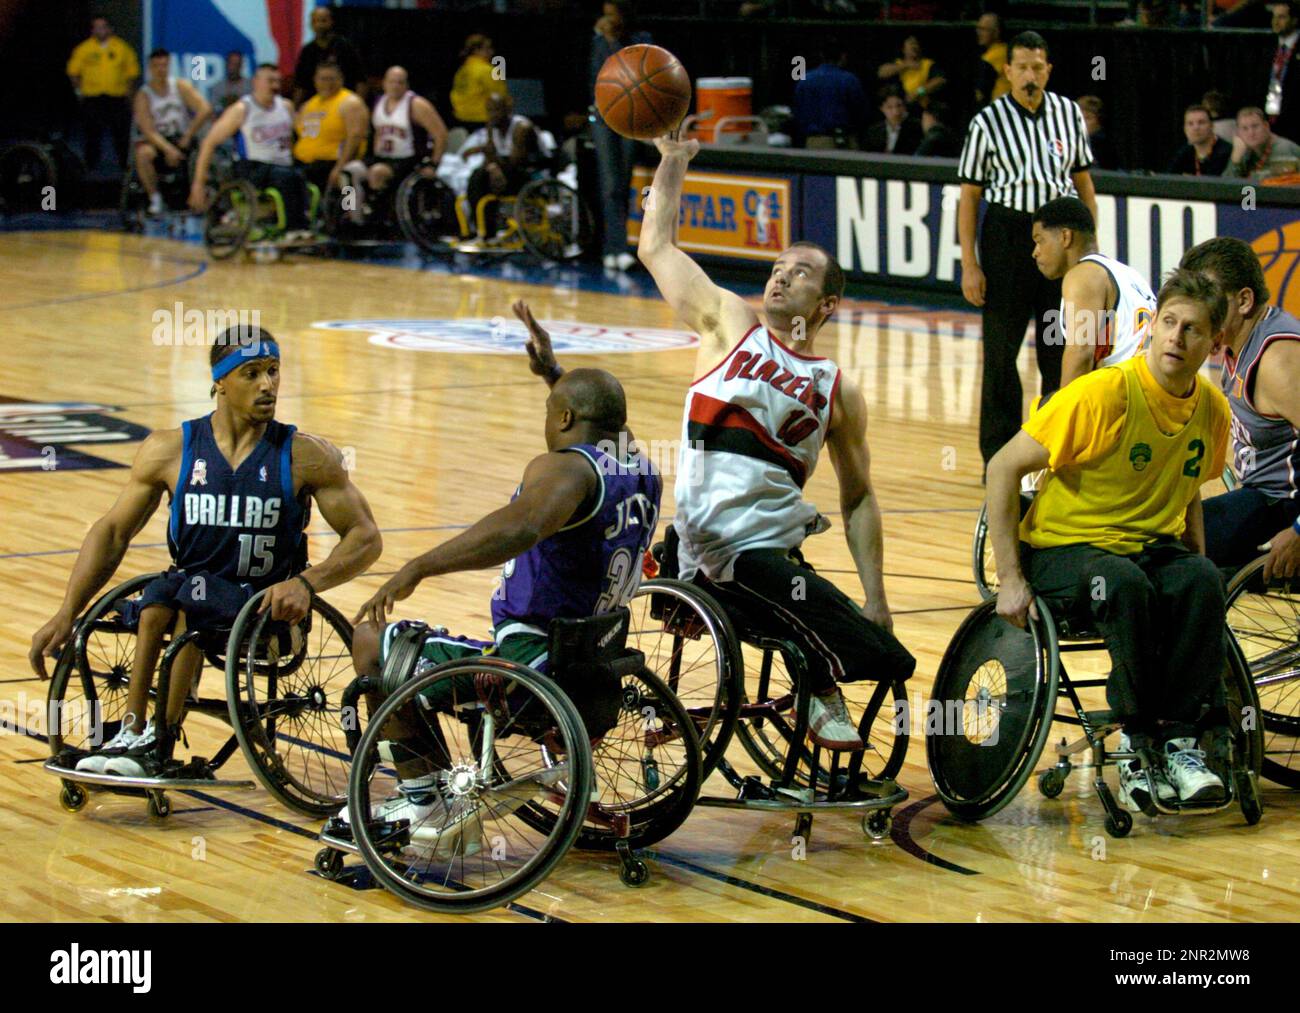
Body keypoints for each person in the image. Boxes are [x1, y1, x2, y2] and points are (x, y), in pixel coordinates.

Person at [635, 133, 917, 751]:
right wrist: (672, 162)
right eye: (777, 269)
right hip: (711, 546)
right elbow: (654, 245)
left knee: (883, 643)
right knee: (872, 648)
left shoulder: (836, 389)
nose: (782, 278)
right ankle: (819, 685)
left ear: (828, 303)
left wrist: (876, 595)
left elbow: (860, 497)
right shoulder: (729, 324)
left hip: (776, 555)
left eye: (801, 273)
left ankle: (823, 675)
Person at [344, 300, 659, 832]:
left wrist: (420, 565)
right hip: (595, 670)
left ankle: (422, 799)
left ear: (562, 419)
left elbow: (519, 528)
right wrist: (556, 375)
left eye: (551, 412)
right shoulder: (642, 468)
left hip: (531, 669)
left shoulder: (563, 469)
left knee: (373, 640)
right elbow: (603, 421)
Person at [28, 328, 382, 778]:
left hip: (265, 611)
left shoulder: (305, 455)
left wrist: (306, 584)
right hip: (185, 595)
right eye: (251, 374)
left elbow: (366, 537)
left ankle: (158, 740)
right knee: (164, 599)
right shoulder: (170, 450)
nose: (267, 385)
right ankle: (133, 732)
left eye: (273, 372)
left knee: (179, 601)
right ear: (219, 383)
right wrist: (66, 611)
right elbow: (114, 531)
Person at [987, 270, 1233, 812]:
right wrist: (1009, 579)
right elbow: (1002, 467)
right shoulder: (1104, 394)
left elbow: (1189, 487)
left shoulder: (1212, 410)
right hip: (1062, 549)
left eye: (1192, 329)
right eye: (1168, 322)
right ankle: (1138, 741)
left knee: (1201, 579)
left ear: (1213, 342)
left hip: (1147, 546)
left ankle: (1180, 741)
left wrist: (1196, 565)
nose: (1175, 337)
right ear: (1152, 326)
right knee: (1121, 583)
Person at [958, 31, 1098, 472]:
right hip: (1007, 237)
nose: (1030, 75)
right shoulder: (987, 121)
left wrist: (1090, 248)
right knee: (1001, 352)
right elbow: (969, 196)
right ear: (1008, 71)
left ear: (1048, 70)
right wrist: (969, 263)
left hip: (1060, 238)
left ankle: (1056, 446)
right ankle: (999, 455)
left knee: (1059, 346)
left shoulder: (1068, 113)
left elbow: (1084, 185)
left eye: (1038, 67)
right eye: (1022, 67)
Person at [1180, 238, 1300, 579]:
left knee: (1171, 552)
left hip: (1284, 507)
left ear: (1244, 300)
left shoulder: (1279, 362)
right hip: (1263, 496)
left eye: (1207, 298)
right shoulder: (1239, 340)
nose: (1198, 310)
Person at [1032, 197, 1156, 388]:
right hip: (1155, 387)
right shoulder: (1129, 274)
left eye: (1040, 241)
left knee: (1047, 409)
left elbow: (1081, 351)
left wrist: (1065, 412)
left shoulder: (1082, 276)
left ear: (1066, 237)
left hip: (1128, 393)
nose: (1035, 252)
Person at [189, 64, 313, 241]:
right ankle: (294, 228)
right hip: (252, 167)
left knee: (300, 174)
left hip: (284, 166)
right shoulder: (242, 109)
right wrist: (198, 184)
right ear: (256, 82)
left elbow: (299, 138)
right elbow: (209, 142)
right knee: (285, 176)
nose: (275, 85)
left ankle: (309, 222)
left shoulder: (286, 106)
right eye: (270, 81)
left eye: (278, 81)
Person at [591, 2, 653, 271]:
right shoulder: (598, 40)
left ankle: (623, 247)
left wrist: (615, 41)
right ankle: (612, 248)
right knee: (610, 184)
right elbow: (600, 77)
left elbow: (631, 71)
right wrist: (606, 40)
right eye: (604, 13)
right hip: (604, 117)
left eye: (612, 13)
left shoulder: (642, 39)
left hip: (631, 116)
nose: (608, 18)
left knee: (623, 181)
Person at [132, 49, 211, 216]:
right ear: (150, 68)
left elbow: (205, 109)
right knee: (143, 154)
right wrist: (168, 149)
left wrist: (188, 134)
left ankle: (199, 197)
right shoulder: (143, 95)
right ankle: (155, 198)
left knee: (205, 149)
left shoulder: (180, 86)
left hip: (182, 137)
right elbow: (147, 130)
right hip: (158, 141)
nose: (161, 69)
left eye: (164, 65)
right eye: (157, 66)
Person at [366, 66, 448, 220]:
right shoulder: (378, 103)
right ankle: (355, 217)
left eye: (400, 82)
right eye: (392, 82)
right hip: (385, 157)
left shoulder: (416, 104)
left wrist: (434, 164)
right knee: (352, 171)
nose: (395, 86)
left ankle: (380, 216)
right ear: (384, 83)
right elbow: (378, 132)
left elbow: (441, 134)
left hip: (410, 160)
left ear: (406, 85)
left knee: (378, 173)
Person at [459, 92, 542, 244]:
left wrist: (491, 159)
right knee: (478, 176)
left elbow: (517, 161)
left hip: (532, 173)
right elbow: (490, 159)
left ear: (507, 110)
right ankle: (483, 232)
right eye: (489, 110)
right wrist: (492, 166)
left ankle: (486, 233)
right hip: (505, 171)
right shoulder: (492, 126)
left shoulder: (521, 127)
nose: (492, 115)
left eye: (496, 110)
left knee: (484, 176)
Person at [66, 15, 140, 174]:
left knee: (121, 134)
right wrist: (79, 92)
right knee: (92, 135)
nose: (100, 30)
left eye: (103, 27)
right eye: (96, 27)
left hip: (116, 99)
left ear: (110, 29)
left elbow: (131, 75)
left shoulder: (122, 48)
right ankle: (90, 167)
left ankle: (124, 167)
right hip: (93, 99)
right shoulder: (84, 49)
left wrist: (130, 98)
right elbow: (73, 72)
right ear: (92, 30)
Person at [293, 59, 368, 203]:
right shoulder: (308, 105)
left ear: (341, 80)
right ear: (315, 80)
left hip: (333, 163)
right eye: (323, 79)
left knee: (348, 177)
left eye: (331, 79)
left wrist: (339, 167)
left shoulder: (350, 103)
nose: (327, 83)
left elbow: (355, 137)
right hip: (304, 163)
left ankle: (351, 215)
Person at [792, 42, 868, 151]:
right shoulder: (849, 80)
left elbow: (798, 112)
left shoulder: (805, 80)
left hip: (814, 142)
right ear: (843, 56)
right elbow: (861, 112)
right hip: (844, 141)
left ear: (821, 56)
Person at [293, 5, 364, 106]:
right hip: (316, 104)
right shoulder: (307, 51)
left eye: (323, 20)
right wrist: (296, 108)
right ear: (311, 24)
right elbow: (300, 85)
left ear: (331, 22)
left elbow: (360, 80)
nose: (320, 25)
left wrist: (358, 104)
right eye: (316, 21)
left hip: (343, 103)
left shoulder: (345, 47)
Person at [450, 34, 507, 130]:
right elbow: (501, 98)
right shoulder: (489, 70)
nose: (492, 52)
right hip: (483, 123)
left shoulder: (461, 71)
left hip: (460, 121)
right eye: (487, 48)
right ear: (476, 50)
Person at [1227, 105, 1300, 178]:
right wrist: (1236, 160)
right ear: (1238, 133)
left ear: (1266, 126)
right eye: (1245, 128)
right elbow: (1225, 186)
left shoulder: (1284, 149)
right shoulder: (1241, 150)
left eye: (1255, 126)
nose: (1251, 133)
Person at [1264, 2, 1300, 144]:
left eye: (1282, 17)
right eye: (1274, 17)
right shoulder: (1268, 46)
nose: (1275, 22)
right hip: (1271, 118)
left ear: (1294, 20)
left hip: (1295, 119)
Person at [876, 35, 945, 108]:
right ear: (903, 49)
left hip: (924, 107)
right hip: (900, 109)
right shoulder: (898, 64)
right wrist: (906, 65)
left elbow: (940, 80)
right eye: (911, 44)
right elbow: (881, 73)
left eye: (916, 44)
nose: (914, 46)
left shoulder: (927, 64)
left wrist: (918, 92)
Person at [1168, 104, 1234, 176]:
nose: (1196, 127)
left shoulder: (1227, 153)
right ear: (1185, 129)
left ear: (1212, 126)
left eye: (1201, 122)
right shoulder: (1184, 152)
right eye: (1190, 124)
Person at [864, 88, 922, 155]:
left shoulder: (916, 128)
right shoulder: (874, 132)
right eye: (889, 107)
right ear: (882, 109)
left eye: (899, 106)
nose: (896, 112)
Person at [974, 12, 1010, 108]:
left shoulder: (991, 58)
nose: (979, 33)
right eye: (978, 28)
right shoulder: (1008, 50)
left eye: (983, 29)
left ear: (996, 32)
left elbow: (981, 95)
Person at [1078, 96, 1116, 170]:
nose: (1082, 123)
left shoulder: (1105, 148)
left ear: (1099, 121)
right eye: (1079, 118)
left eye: (1087, 118)